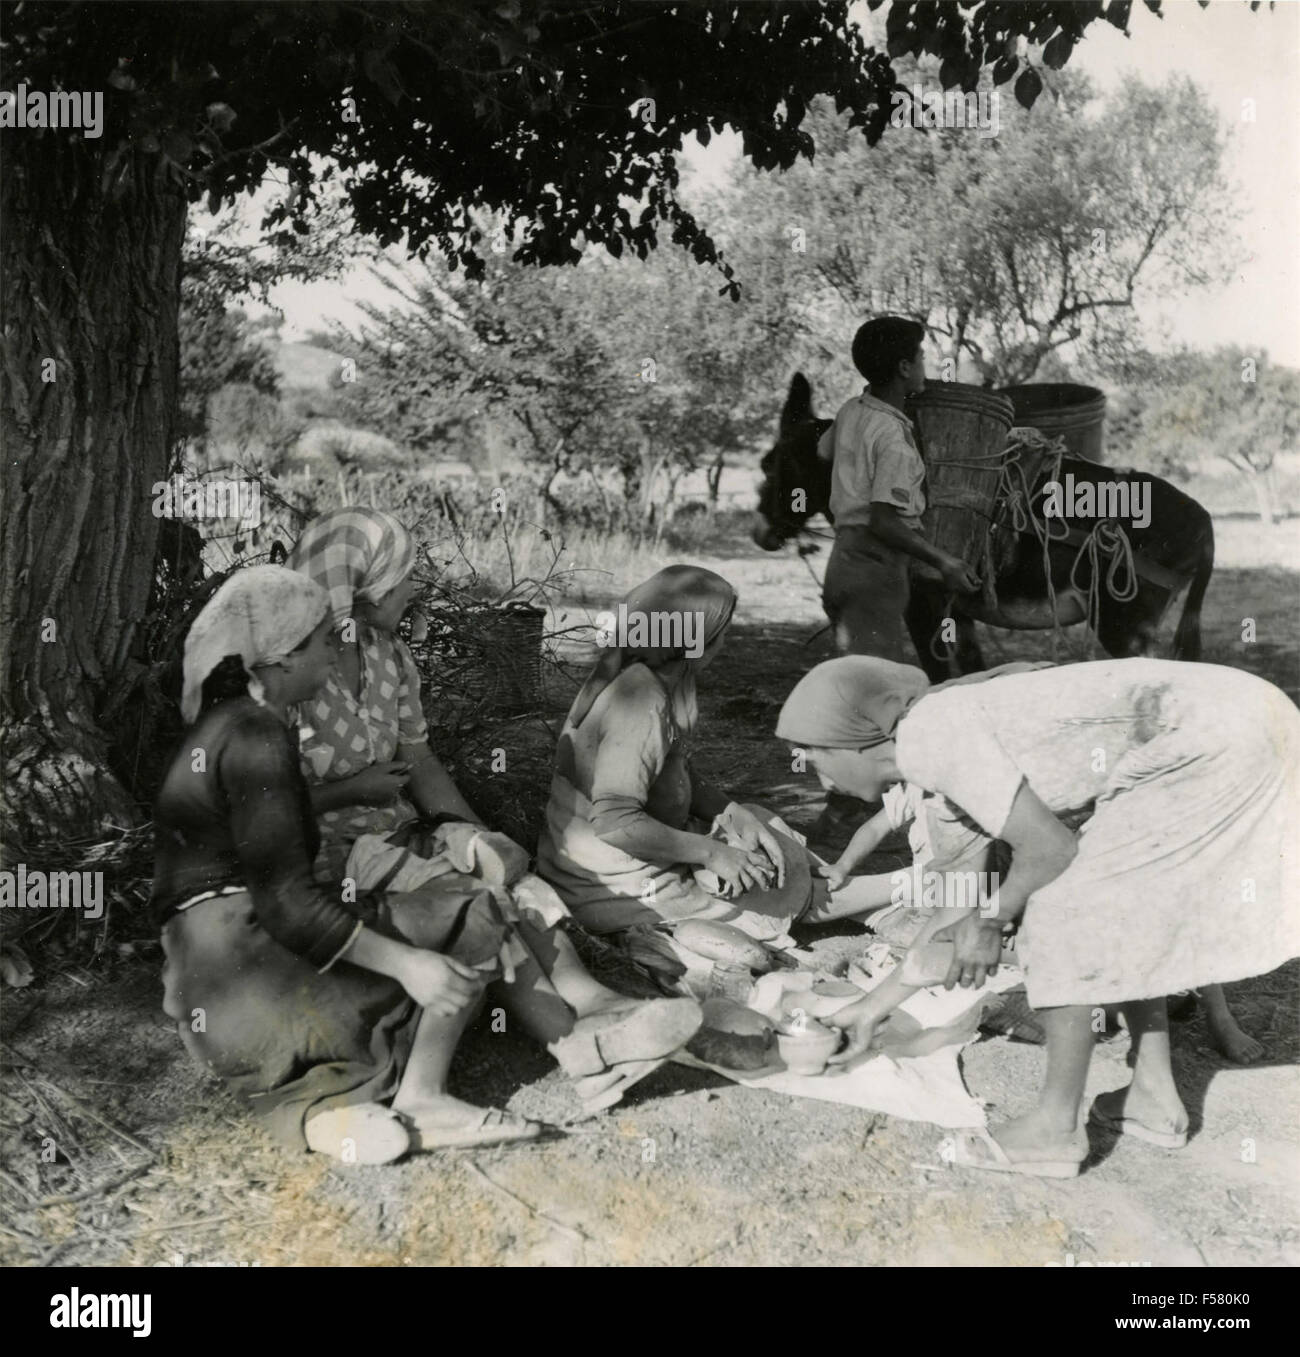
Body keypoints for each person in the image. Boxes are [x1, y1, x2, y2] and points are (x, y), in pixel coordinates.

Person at [152, 566, 701, 1166]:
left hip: (208, 986)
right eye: (323, 642)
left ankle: (578, 1055)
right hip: (250, 973)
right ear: (283, 658)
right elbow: (290, 907)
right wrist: (409, 963)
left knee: (447, 912)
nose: (337, 652)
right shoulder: (258, 736)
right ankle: (428, 1097)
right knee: (470, 911)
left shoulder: (234, 723)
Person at [775, 655, 1299, 1177]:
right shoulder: (934, 781)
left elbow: (1049, 852)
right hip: (1240, 716)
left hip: (1220, 734)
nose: (820, 782)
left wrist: (990, 920)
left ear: (855, 740)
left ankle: (1054, 1130)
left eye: (816, 759)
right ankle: (1153, 1097)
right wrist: (869, 1010)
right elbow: (956, 905)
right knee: (1114, 905)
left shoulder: (932, 733)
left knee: (1060, 907)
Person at [537, 565, 846, 983]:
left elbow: (668, 770)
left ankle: (855, 887)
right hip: (615, 888)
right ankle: (887, 891)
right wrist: (713, 852)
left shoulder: (664, 675)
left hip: (643, 857)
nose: (725, 641)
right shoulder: (639, 700)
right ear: (695, 638)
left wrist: (731, 810)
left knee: (763, 832)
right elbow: (614, 823)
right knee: (777, 884)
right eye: (722, 632)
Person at [818, 316, 980, 661]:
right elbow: (883, 520)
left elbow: (823, 451)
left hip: (842, 564)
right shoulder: (893, 438)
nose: (926, 366)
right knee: (875, 683)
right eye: (921, 358)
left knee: (859, 673)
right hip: (874, 572)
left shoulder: (852, 409)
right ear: (905, 368)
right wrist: (945, 561)